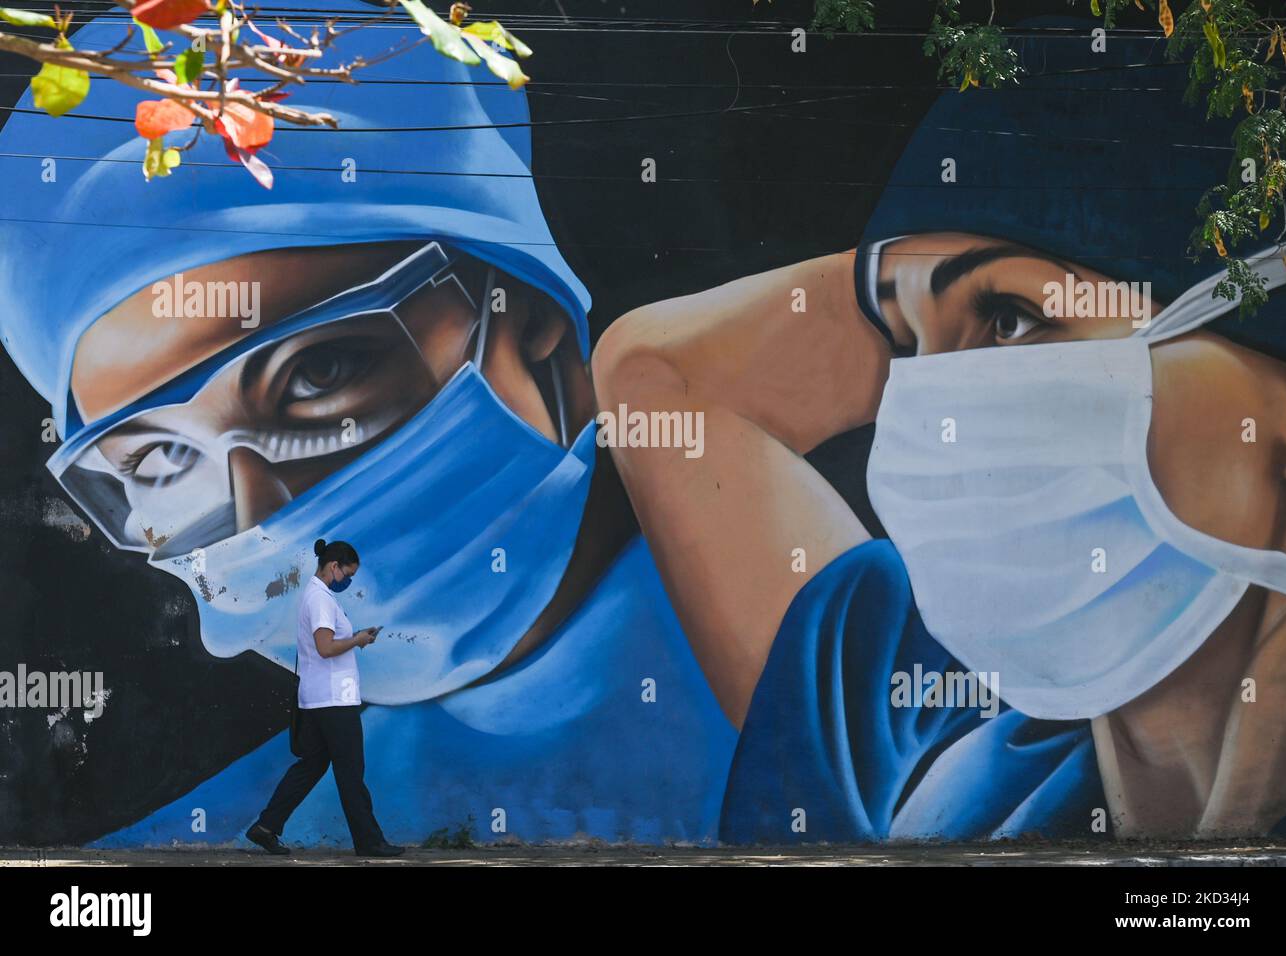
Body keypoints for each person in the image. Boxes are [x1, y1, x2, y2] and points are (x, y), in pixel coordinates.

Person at [0, 0, 737, 847]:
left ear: (533, 325)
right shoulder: (165, 853)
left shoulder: (827, 649)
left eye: (319, 371)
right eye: (162, 461)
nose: (266, 510)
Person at [593, 19, 1286, 841]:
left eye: (1011, 319)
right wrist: (933, 269)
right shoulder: (916, 716)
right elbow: (652, 376)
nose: (937, 401)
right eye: (903, 342)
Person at [245, 539, 402, 857]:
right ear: (334, 567)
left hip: (319, 697)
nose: (349, 580)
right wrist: (357, 639)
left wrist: (354, 638)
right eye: (349, 574)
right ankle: (370, 842)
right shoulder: (319, 600)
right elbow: (326, 647)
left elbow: (326, 644)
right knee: (350, 770)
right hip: (333, 700)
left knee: (312, 765)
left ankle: (266, 826)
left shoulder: (319, 597)